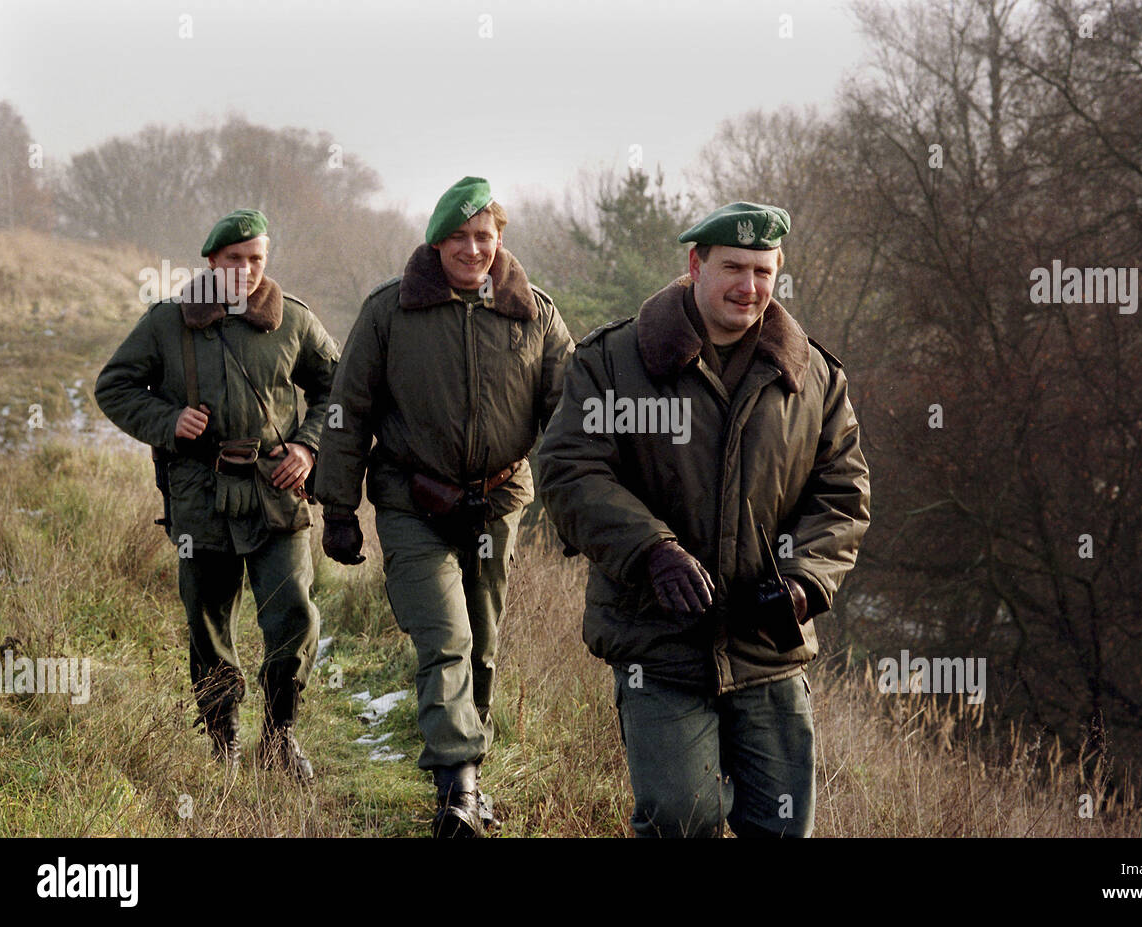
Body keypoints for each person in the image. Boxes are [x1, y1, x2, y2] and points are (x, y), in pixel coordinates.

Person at [537, 201, 871, 837]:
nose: (750, 287)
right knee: (679, 816)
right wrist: (650, 549)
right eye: (733, 268)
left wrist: (803, 582)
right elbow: (569, 468)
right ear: (695, 265)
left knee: (782, 825)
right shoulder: (612, 362)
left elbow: (843, 492)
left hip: (767, 650)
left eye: (764, 272)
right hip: (657, 643)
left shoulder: (814, 378)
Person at [316, 177, 574, 837]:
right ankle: (456, 786)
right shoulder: (389, 311)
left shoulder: (534, 313)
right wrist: (339, 507)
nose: (471, 248)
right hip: (412, 501)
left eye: (482, 235)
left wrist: (583, 510)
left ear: (499, 238)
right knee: (447, 636)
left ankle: (472, 781)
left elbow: (570, 419)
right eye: (457, 236)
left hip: (497, 502)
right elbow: (348, 411)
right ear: (436, 241)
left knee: (481, 642)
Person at [95, 208, 340, 781]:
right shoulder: (167, 322)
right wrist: (167, 419)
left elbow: (339, 388)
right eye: (235, 260)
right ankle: (223, 735)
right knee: (207, 620)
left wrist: (307, 447)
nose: (247, 271)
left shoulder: (295, 322)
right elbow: (115, 385)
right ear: (211, 262)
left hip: (276, 493)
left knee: (295, 616)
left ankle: (280, 735)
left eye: (257, 259)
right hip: (198, 495)